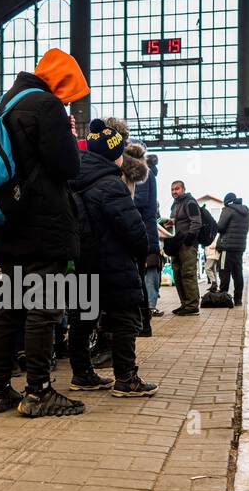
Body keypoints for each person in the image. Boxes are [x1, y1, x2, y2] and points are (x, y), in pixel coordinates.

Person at [0, 48, 89, 418]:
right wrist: (71, 137)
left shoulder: (5, 104)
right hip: (44, 226)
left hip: (10, 225)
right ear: (62, 80)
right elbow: (67, 167)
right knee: (44, 308)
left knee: (10, 308)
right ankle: (38, 392)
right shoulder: (47, 106)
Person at [67, 124, 157, 397]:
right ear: (115, 155)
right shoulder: (111, 185)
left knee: (82, 319)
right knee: (125, 318)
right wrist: (141, 253)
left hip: (83, 263)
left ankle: (82, 374)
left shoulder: (75, 181)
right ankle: (126, 379)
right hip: (113, 264)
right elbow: (135, 231)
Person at [132, 149, 162, 333]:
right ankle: (143, 323)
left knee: (139, 279)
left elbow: (139, 201)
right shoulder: (145, 172)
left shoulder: (142, 172)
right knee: (139, 278)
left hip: (141, 231)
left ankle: (143, 323)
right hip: (143, 231)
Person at [165, 180, 201, 314]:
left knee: (188, 274)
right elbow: (182, 220)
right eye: (172, 189)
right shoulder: (175, 205)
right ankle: (185, 304)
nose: (174, 191)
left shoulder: (190, 202)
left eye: (177, 189)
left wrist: (188, 241)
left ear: (183, 189)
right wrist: (172, 221)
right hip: (176, 244)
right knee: (178, 275)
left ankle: (192, 306)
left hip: (187, 245)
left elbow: (196, 222)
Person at [216, 192, 249, 304]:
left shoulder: (227, 210)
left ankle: (223, 297)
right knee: (237, 273)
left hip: (227, 247)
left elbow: (220, 227)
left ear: (227, 201)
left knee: (224, 272)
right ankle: (238, 299)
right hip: (240, 247)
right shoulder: (246, 212)